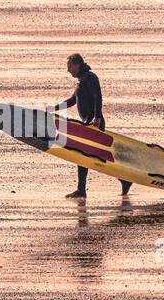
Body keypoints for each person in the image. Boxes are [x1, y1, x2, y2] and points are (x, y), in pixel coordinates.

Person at [56, 54, 132, 198]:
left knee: (86, 156)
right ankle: (122, 179)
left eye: (70, 67)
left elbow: (98, 96)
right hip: (88, 123)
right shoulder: (81, 80)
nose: (68, 70)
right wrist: (54, 108)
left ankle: (83, 189)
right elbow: (73, 100)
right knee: (88, 157)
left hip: (94, 123)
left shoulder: (90, 77)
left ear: (78, 64)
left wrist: (97, 117)